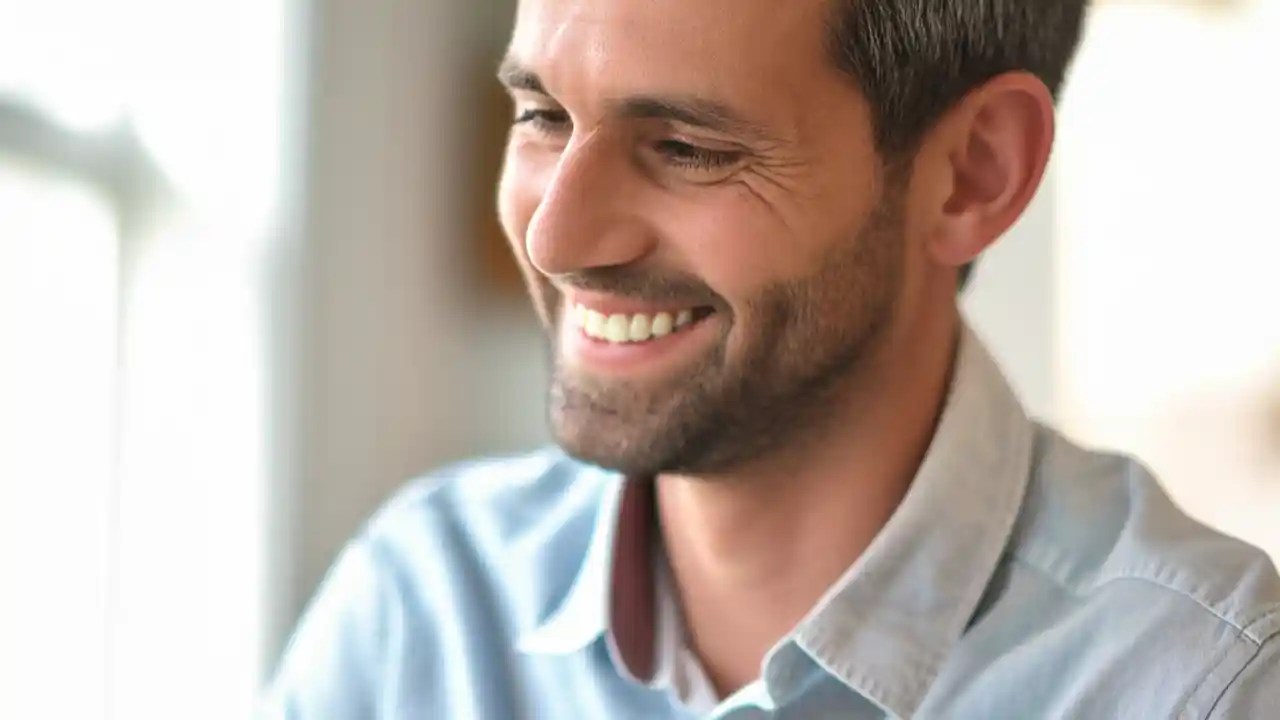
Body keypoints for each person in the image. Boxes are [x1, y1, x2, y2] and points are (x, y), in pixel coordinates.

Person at [263, 0, 1280, 717]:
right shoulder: (420, 610)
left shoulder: (1200, 687)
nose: (556, 239)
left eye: (688, 148)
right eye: (541, 117)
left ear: (971, 172)